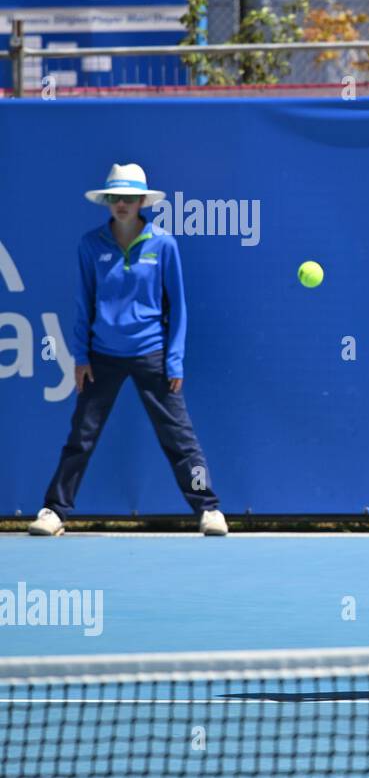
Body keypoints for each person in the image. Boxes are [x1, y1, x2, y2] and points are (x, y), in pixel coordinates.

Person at [27, 163, 227, 537]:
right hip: (102, 357)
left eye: (129, 197)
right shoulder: (90, 245)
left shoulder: (164, 244)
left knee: (179, 438)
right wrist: (82, 357)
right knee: (80, 438)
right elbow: (83, 302)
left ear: (140, 201)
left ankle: (209, 509)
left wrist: (174, 358)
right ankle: (54, 512)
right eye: (116, 197)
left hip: (152, 353)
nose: (122, 203)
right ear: (107, 201)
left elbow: (177, 307)